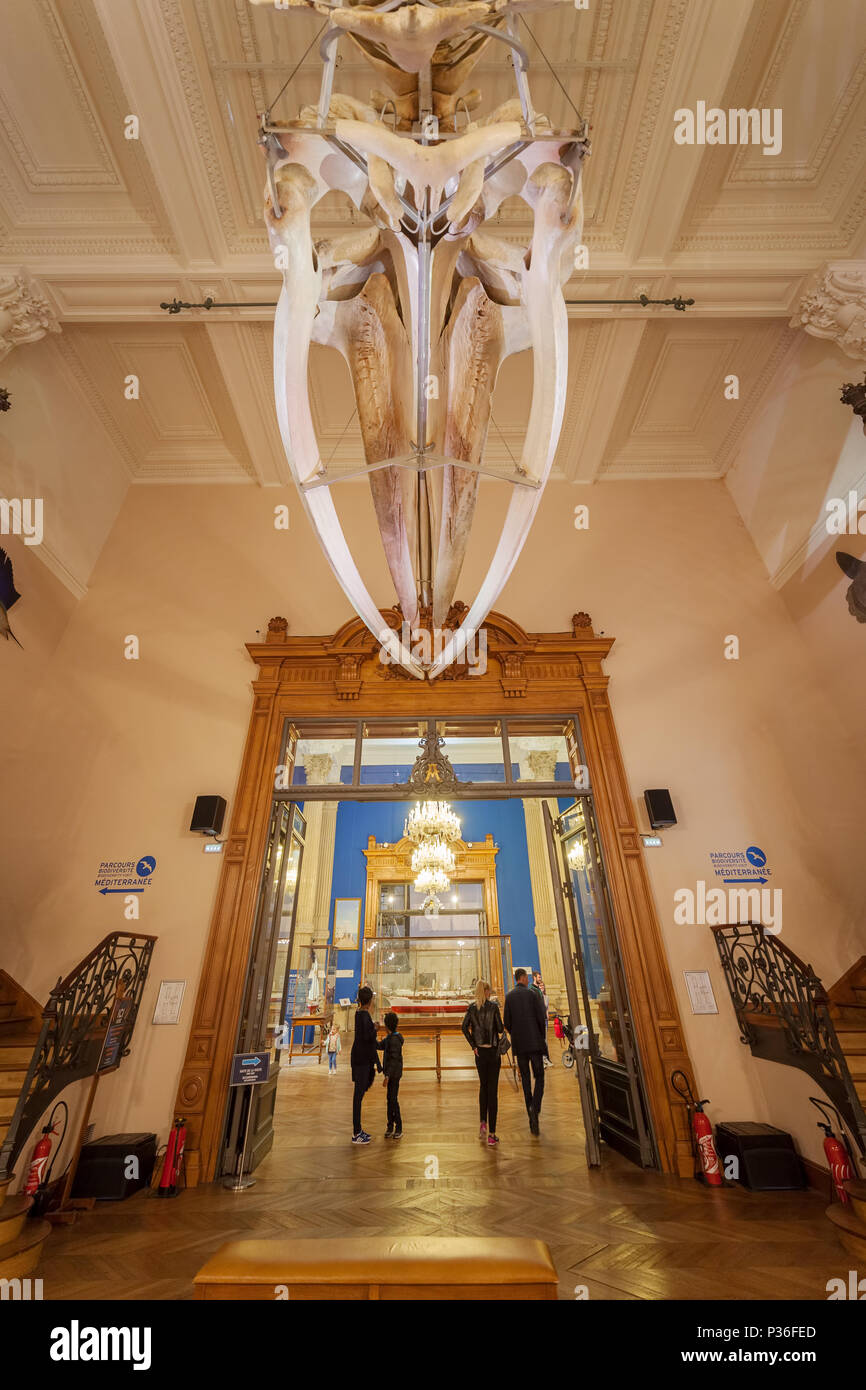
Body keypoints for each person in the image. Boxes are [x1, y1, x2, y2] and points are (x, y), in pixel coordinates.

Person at [504, 967, 548, 1135]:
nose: (529, 980)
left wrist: (515, 1033)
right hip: (535, 1043)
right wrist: (541, 1037)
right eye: (527, 977)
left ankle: (530, 1110)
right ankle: (535, 1109)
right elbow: (540, 1017)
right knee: (540, 1077)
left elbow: (507, 1022)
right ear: (522, 977)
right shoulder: (532, 994)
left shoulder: (509, 997)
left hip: (520, 1045)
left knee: (526, 1081)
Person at [461, 979, 504, 1147]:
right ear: (485, 991)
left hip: (479, 1052)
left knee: (483, 1087)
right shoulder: (493, 1007)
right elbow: (500, 1029)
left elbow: (464, 1027)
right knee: (492, 1091)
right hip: (493, 1052)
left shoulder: (471, 1008)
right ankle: (492, 1134)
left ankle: (482, 1123)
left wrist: (473, 1045)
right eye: (489, 990)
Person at [350, 986, 381, 1143]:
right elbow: (366, 1037)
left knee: (359, 1095)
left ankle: (358, 1130)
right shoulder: (364, 1016)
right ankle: (356, 1132)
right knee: (358, 1095)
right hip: (361, 1059)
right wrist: (375, 1028)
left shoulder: (359, 1013)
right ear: (369, 1001)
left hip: (359, 1057)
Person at [377, 1011, 404, 1138]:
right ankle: (390, 1125)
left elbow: (394, 1060)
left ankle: (398, 1127)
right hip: (392, 1073)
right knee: (390, 1099)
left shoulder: (394, 1040)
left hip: (394, 1074)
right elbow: (380, 1046)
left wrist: (387, 1076)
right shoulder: (390, 1038)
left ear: (387, 1025)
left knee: (393, 1100)